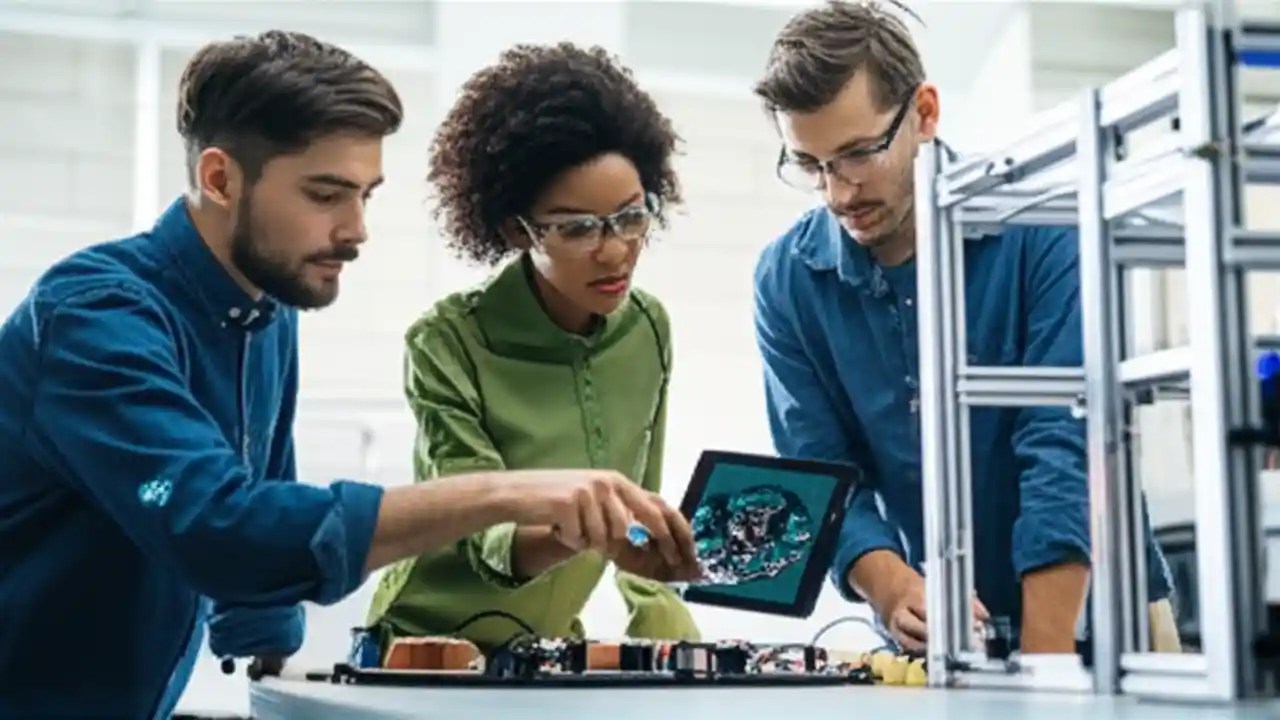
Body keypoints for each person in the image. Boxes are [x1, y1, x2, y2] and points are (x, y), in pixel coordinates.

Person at [0, 31, 698, 719]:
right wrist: (514, 490)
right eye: (326, 194)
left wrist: (271, 662)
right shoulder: (94, 318)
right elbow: (212, 524)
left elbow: (263, 487)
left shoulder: (265, 307)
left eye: (366, 194)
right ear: (219, 179)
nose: (357, 228)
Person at [749, 1, 1180, 655]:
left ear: (924, 113)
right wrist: (895, 589)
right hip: (934, 638)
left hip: (1099, 619)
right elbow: (819, 470)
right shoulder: (787, 279)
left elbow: (1065, 446)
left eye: (859, 153)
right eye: (812, 166)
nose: (839, 193)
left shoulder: (1043, 229)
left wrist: (1046, 669)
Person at [365, 42, 701, 653]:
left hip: (542, 653)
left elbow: (642, 519)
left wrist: (680, 654)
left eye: (631, 216)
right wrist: (582, 531)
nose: (616, 249)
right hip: (423, 650)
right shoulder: (447, 342)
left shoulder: (649, 328)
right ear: (515, 230)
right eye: (577, 228)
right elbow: (484, 535)